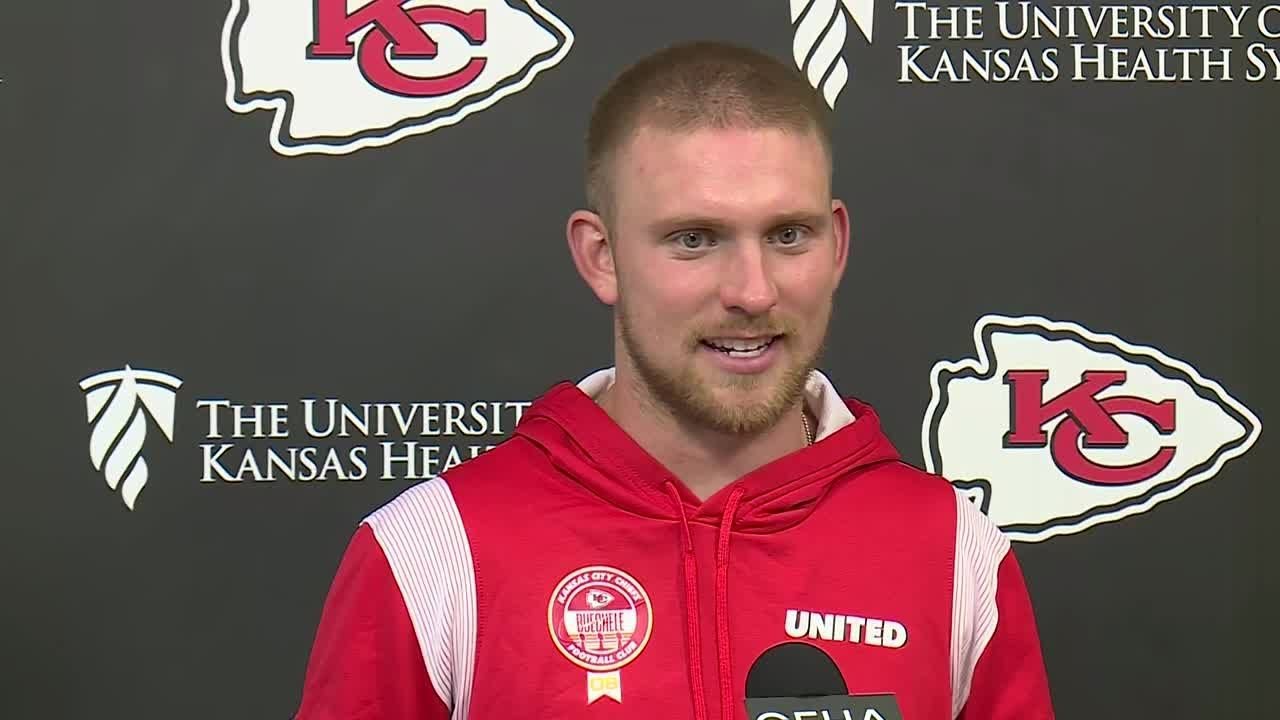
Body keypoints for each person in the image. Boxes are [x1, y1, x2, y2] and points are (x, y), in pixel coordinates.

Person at [292, 40, 1055, 720]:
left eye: (789, 235)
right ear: (601, 258)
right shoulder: (435, 549)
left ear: (838, 245)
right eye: (695, 239)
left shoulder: (954, 552)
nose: (753, 291)